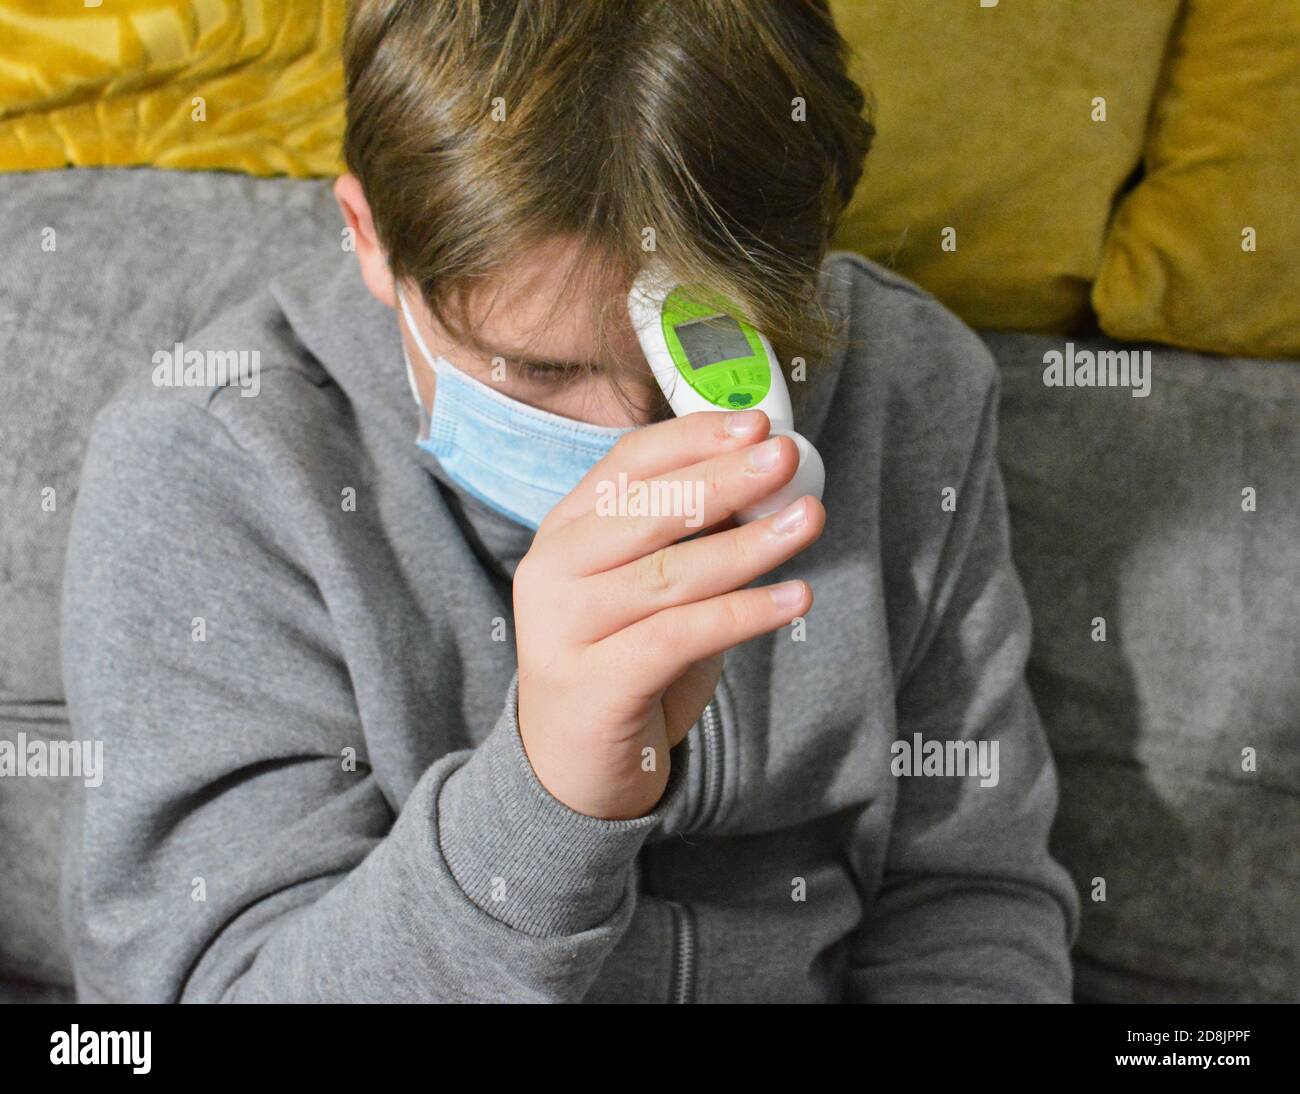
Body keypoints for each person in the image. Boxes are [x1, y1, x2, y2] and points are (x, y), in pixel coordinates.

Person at [60, 0, 1079, 1002]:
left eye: (717, 357)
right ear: (368, 236)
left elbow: (968, 897)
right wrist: (546, 798)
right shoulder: (215, 464)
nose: (638, 446)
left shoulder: (909, 386)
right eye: (539, 372)